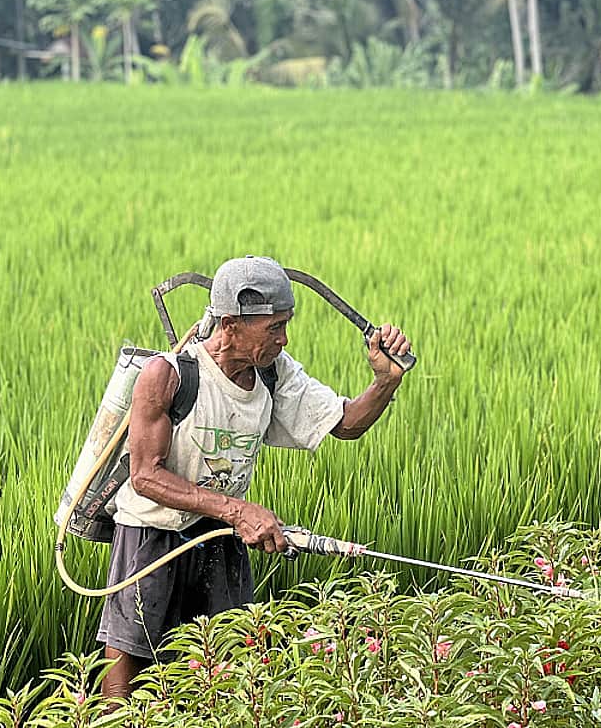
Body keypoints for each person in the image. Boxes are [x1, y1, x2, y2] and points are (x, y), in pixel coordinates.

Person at [97, 255, 410, 700]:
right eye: (273, 327)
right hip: (153, 534)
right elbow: (145, 476)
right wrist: (237, 509)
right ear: (230, 324)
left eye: (286, 324)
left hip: (222, 536)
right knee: (132, 659)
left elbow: (345, 423)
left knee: (224, 664)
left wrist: (384, 382)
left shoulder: (272, 374)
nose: (284, 338)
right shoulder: (168, 376)